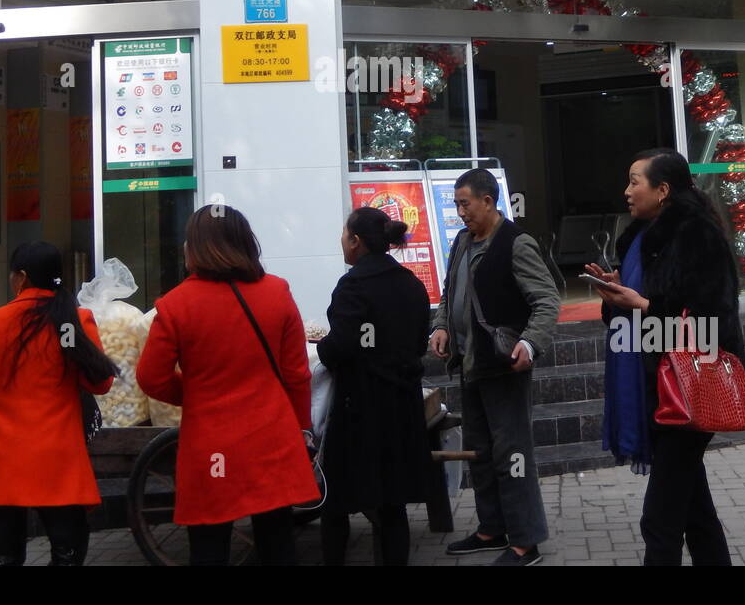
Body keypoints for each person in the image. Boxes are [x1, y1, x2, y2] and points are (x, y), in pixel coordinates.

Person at [587, 148, 745, 567]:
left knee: (660, 517)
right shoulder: (641, 236)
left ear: (662, 190)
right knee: (694, 508)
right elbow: (629, 318)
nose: (626, 191)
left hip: (691, 386)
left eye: (635, 181)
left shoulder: (697, 235)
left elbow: (711, 322)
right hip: (654, 385)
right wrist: (615, 295)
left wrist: (641, 303)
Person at [136, 205, 318, 566]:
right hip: (272, 439)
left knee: (208, 542)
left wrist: (196, 394)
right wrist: (303, 429)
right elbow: (297, 374)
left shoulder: (174, 306)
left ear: (193, 249)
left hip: (211, 446)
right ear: (245, 243)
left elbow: (151, 379)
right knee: (277, 540)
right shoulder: (277, 292)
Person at [0, 240, 118, 566]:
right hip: (56, 457)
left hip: (2, 454)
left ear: (22, 277)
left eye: (13, 275)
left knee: (5, 551)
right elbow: (100, 383)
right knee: (67, 548)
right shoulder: (76, 318)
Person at [429, 168, 561, 566]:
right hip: (471, 365)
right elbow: (449, 293)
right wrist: (441, 326)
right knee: (481, 452)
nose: (460, 212)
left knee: (513, 455)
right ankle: (491, 529)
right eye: (456, 205)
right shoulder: (462, 242)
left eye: (465, 204)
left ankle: (525, 541)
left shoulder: (516, 243)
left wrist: (530, 342)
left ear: (488, 201)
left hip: (504, 368)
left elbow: (547, 300)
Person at [317, 206, 432, 566]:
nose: (341, 241)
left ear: (355, 241)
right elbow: (417, 345)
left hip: (359, 411)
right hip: (401, 409)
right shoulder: (412, 284)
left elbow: (341, 347)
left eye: (343, 235)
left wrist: (321, 346)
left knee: (334, 502)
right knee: (392, 503)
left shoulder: (352, 287)